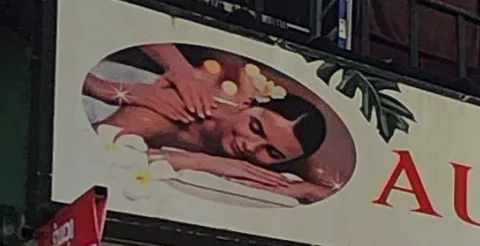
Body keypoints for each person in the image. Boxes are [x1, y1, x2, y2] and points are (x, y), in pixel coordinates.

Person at [86, 44, 331, 194]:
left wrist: (305, 189)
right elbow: (92, 148)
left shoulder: (260, 160)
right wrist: (203, 162)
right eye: (255, 128)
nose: (250, 146)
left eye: (272, 153)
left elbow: (323, 191)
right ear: (248, 103)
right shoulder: (171, 109)